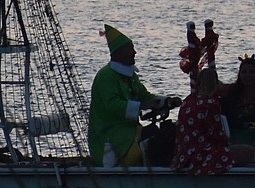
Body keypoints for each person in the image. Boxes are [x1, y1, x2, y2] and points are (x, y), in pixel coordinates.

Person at [88, 24, 160, 166]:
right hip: (109, 133)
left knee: (159, 134)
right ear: (119, 52)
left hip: (129, 131)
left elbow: (144, 95)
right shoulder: (106, 76)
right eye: (130, 49)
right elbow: (112, 105)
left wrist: (163, 101)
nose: (135, 52)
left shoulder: (130, 75)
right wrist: (142, 106)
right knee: (150, 139)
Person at [173, 62, 235, 174]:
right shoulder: (210, 104)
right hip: (203, 154)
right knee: (247, 151)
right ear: (215, 84)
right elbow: (216, 134)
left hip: (184, 153)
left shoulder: (188, 101)